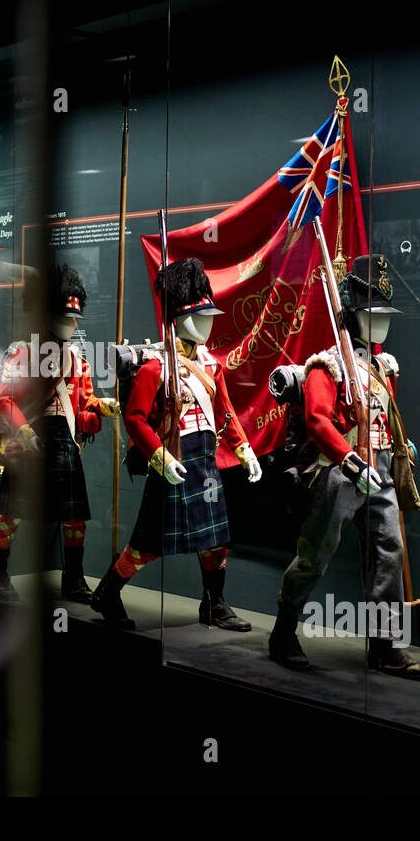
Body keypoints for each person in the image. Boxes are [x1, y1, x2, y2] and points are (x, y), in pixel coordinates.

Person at [267, 253, 420, 680]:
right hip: (340, 470)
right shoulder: (329, 366)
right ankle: (284, 630)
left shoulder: (381, 366)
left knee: (387, 554)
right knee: (315, 554)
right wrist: (349, 460)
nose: (383, 323)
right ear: (354, 314)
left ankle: (384, 645)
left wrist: (399, 443)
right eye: (374, 314)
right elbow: (320, 420)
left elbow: (384, 413)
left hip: (378, 469)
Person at [90, 257, 263, 631]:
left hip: (206, 461)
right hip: (173, 459)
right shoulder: (155, 366)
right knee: (147, 544)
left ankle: (214, 604)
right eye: (198, 316)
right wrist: (159, 456)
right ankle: (107, 592)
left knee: (216, 538)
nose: (207, 322)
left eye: (208, 315)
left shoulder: (211, 366)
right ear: (178, 319)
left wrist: (243, 448)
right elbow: (134, 418)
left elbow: (226, 412)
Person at [0, 265, 118, 602]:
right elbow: (5, 401)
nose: (74, 324)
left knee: (75, 518)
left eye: (76, 318)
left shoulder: (77, 358)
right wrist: (25, 432)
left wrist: (101, 408)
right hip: (30, 438)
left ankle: (73, 579)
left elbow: (84, 402)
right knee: (12, 515)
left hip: (64, 442)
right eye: (67, 316)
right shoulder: (24, 352)